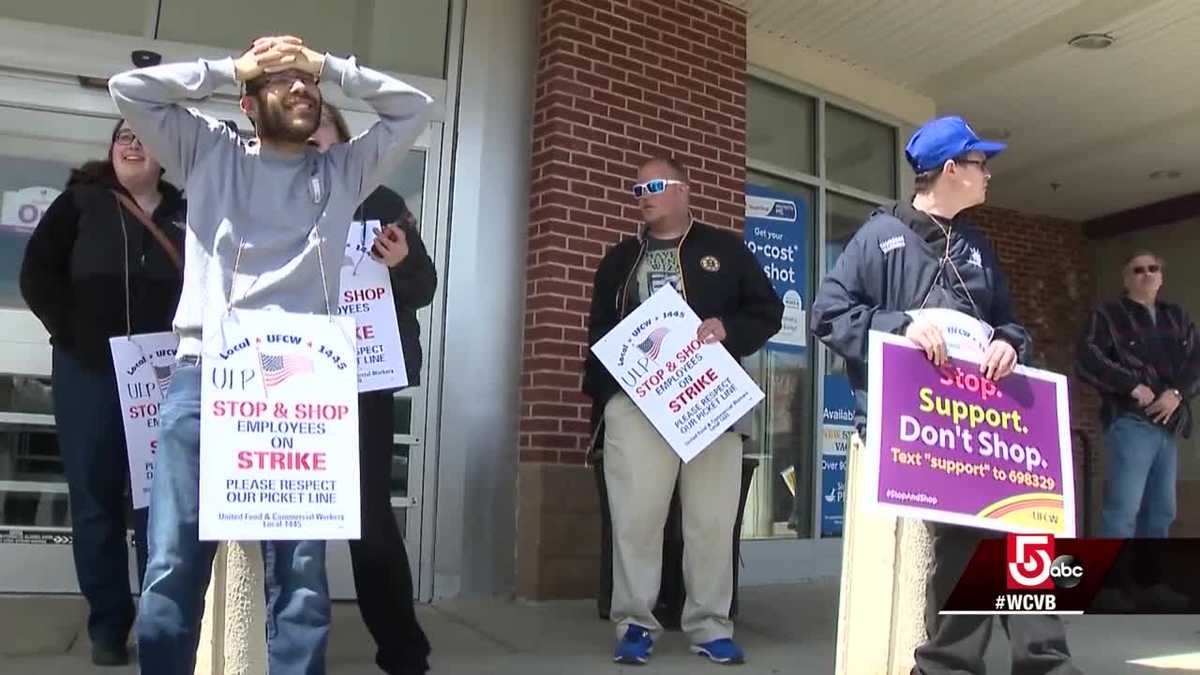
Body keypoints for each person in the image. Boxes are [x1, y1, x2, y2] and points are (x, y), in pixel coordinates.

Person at [108, 34, 432, 674]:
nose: (301, 89)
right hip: (206, 373)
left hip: (305, 387)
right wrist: (231, 68)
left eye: (308, 85)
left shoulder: (342, 171)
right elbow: (130, 90)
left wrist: (329, 65)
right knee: (173, 560)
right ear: (250, 103)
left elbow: (415, 107)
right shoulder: (208, 151)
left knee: (303, 574)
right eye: (283, 82)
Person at [810, 116, 1079, 674]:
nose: (989, 175)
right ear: (951, 170)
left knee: (1028, 525)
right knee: (970, 534)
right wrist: (898, 326)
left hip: (983, 421)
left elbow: (1009, 320)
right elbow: (828, 314)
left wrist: (1009, 341)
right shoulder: (880, 238)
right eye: (981, 164)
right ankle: (948, 665)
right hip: (918, 426)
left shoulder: (979, 247)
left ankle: (1042, 663)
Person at [583, 156, 782, 666]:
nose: (642, 195)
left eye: (652, 185)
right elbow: (600, 336)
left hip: (708, 401)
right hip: (638, 403)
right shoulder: (620, 259)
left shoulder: (724, 250)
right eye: (635, 189)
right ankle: (634, 623)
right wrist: (609, 398)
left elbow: (768, 310)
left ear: (682, 190)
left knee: (711, 519)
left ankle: (710, 625)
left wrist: (727, 329)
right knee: (636, 518)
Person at [19, 119, 185, 667]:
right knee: (95, 502)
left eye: (144, 138)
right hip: (88, 374)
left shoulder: (189, 213)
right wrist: (74, 335)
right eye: (123, 138)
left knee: (159, 506)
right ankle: (110, 625)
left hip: (164, 379)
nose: (132, 146)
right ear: (110, 152)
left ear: (165, 154)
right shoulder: (79, 204)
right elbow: (37, 275)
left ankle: (165, 623)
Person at [307, 101, 436, 675]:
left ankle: (403, 648)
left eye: (325, 141)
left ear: (346, 145)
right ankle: (286, 643)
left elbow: (423, 286)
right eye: (305, 144)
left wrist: (404, 263)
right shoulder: (267, 204)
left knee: (369, 518)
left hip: (362, 379)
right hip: (287, 379)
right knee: (289, 518)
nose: (317, 152)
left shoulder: (380, 203)